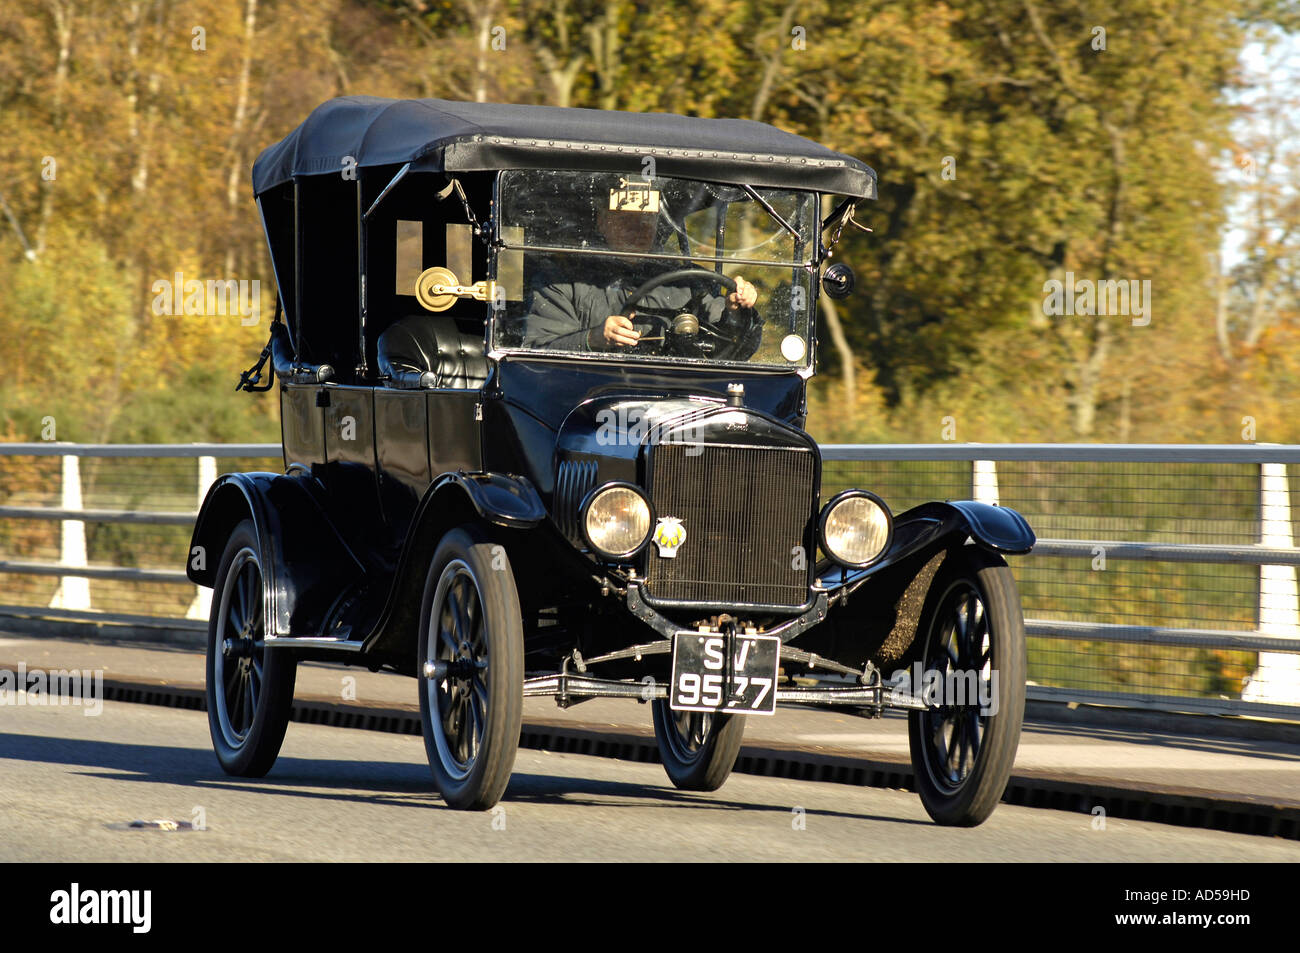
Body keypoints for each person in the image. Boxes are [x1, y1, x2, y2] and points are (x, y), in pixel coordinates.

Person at [522, 195, 760, 354]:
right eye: (626, 219)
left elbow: (737, 349)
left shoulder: (688, 282)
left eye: (648, 218)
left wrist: (736, 310)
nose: (638, 228)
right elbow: (535, 352)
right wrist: (594, 338)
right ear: (603, 222)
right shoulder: (564, 281)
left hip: (677, 402)